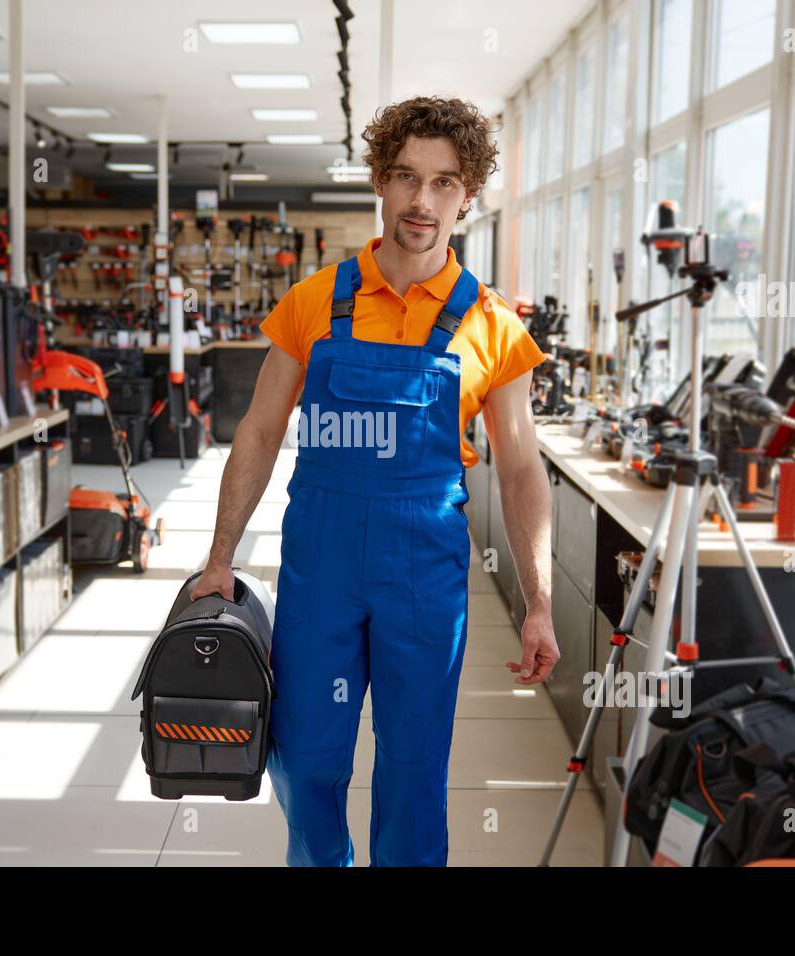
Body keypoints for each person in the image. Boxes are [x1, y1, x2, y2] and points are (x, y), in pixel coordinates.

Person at [191, 95, 559, 866]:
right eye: (406, 177)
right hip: (322, 565)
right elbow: (258, 430)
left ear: (468, 194)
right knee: (306, 755)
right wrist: (220, 557)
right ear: (381, 184)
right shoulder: (315, 302)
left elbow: (522, 467)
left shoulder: (494, 326)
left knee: (415, 764)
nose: (422, 201)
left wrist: (540, 601)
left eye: (444, 183)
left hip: (424, 575)